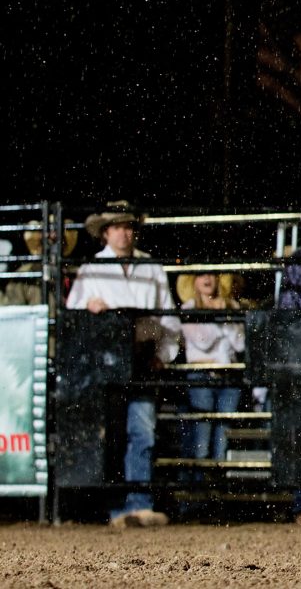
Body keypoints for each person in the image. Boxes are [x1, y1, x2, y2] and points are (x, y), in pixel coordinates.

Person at [66, 205, 181, 527]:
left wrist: (164, 353)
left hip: (142, 356)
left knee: (142, 431)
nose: (124, 233)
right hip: (106, 360)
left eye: (128, 227)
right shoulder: (91, 269)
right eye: (117, 227)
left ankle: (138, 503)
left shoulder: (151, 267)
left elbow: (167, 315)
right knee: (114, 433)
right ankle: (116, 506)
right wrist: (88, 306)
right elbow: (73, 313)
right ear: (106, 232)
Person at [176, 271, 245, 464]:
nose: (207, 279)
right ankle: (199, 484)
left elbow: (240, 344)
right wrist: (223, 319)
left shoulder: (232, 305)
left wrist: (222, 319)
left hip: (229, 375)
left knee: (223, 432)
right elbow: (202, 340)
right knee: (202, 433)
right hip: (201, 374)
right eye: (201, 275)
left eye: (212, 275)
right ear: (194, 282)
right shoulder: (189, 308)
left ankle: (216, 482)